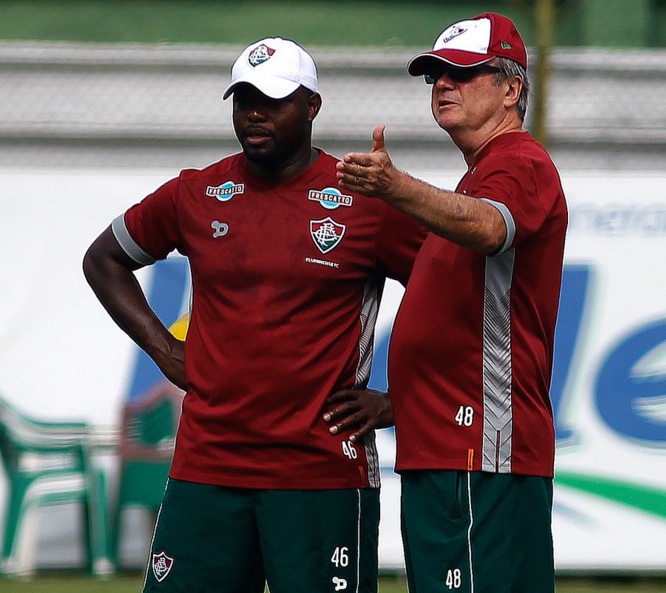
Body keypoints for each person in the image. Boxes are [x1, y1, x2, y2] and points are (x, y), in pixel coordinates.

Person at [83, 36, 423, 593]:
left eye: (273, 100)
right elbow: (104, 259)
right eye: (244, 100)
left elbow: (452, 300)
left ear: (311, 106)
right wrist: (164, 349)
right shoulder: (196, 193)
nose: (254, 114)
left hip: (321, 470)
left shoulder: (366, 203)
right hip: (208, 465)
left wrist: (399, 400)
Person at [330, 12, 568, 593]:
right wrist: (404, 403)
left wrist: (394, 186)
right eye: (435, 74)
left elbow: (489, 228)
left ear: (511, 90)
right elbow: (465, 324)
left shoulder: (520, 162)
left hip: (480, 454)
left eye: (463, 73)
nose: (442, 83)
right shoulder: (477, 178)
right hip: (447, 445)